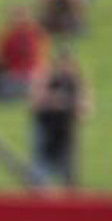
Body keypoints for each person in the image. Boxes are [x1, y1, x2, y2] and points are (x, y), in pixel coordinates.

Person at [28, 45, 88, 188]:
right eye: (62, 63)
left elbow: (84, 109)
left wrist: (71, 104)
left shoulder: (76, 80)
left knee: (69, 174)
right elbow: (35, 103)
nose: (65, 67)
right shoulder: (46, 77)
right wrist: (54, 100)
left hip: (66, 130)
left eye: (68, 63)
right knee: (40, 172)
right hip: (45, 129)